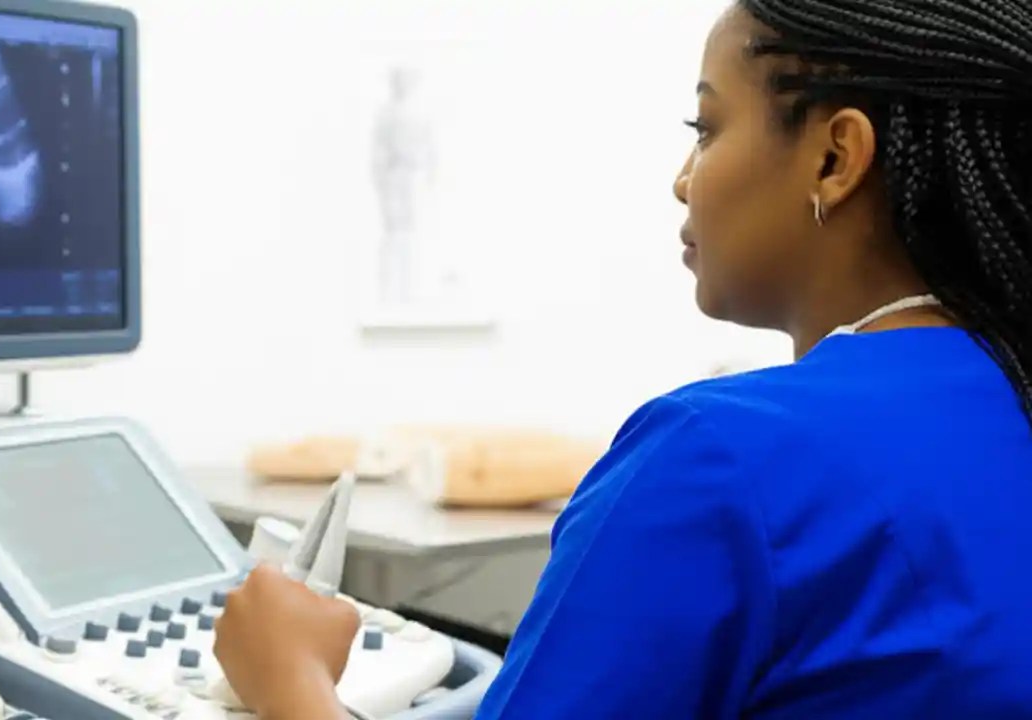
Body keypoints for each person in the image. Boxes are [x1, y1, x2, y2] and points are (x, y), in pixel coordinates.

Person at [213, 0, 1032, 717]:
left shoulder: (719, 455)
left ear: (835, 157)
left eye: (706, 130)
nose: (684, 181)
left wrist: (292, 679)